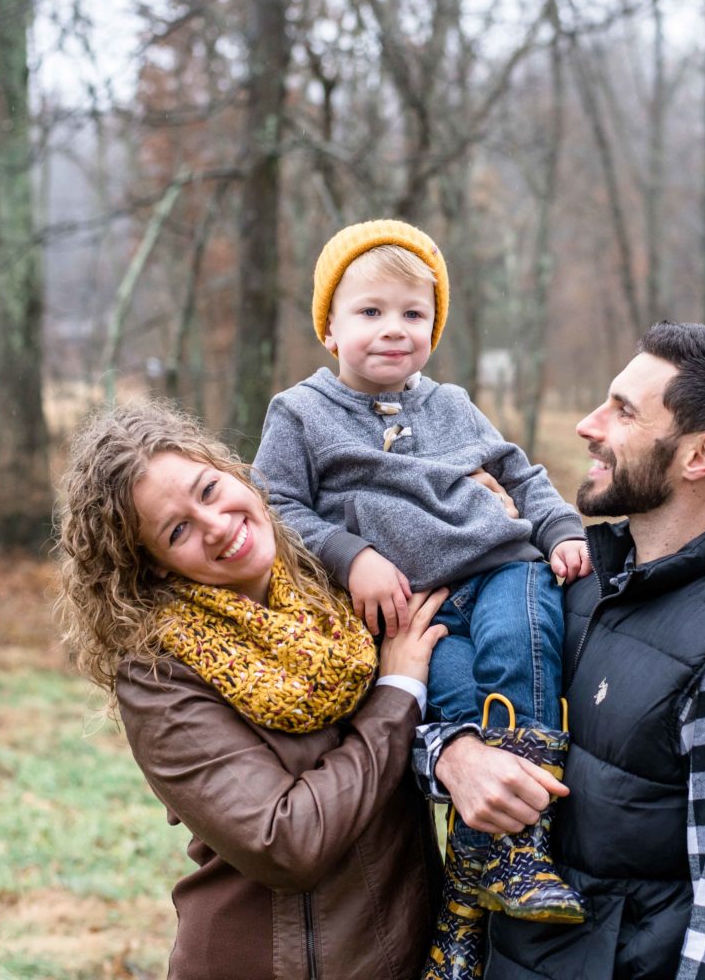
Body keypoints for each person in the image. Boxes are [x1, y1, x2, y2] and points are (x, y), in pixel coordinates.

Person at [421, 322, 705, 980]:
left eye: (622, 411)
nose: (589, 425)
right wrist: (455, 754)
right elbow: (427, 699)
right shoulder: (576, 573)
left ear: (700, 455)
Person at [252, 220, 591, 975]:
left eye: (414, 313)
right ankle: (477, 875)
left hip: (501, 568)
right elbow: (274, 509)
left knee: (522, 664)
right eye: (370, 312)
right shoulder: (300, 413)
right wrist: (354, 555)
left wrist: (563, 527)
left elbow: (523, 473)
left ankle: (504, 860)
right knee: (460, 704)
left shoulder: (453, 403)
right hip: (412, 609)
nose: (394, 330)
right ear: (330, 327)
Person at [55, 399, 450, 980]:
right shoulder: (160, 675)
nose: (217, 526)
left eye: (209, 490)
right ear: (157, 566)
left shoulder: (342, 580)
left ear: (234, 473)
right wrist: (396, 692)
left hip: (402, 950)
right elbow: (285, 841)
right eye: (178, 530)